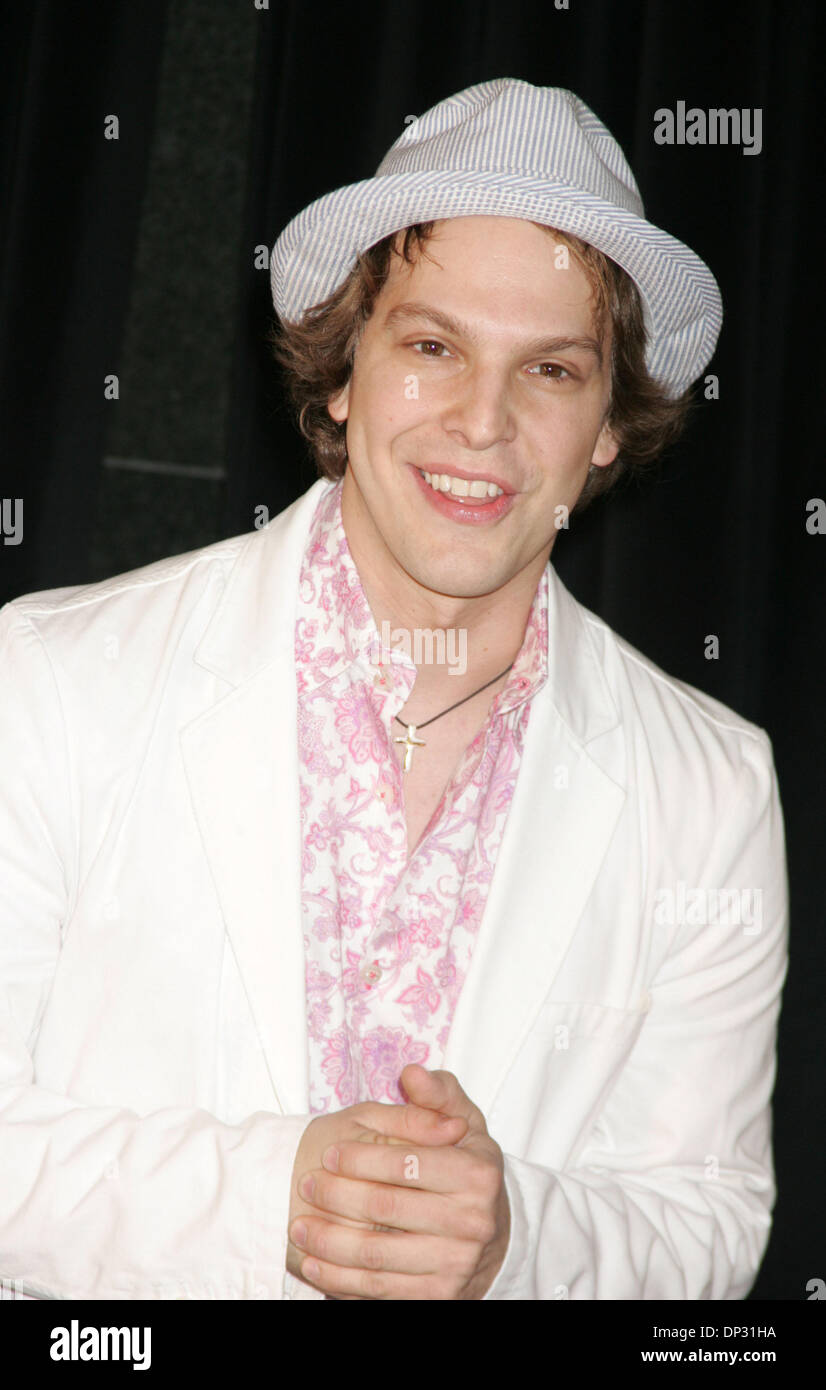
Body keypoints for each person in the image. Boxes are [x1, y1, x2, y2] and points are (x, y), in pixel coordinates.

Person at [0, 78, 787, 1301]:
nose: (481, 422)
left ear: (607, 431)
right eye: (431, 347)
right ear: (341, 374)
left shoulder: (712, 787)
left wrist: (515, 1238)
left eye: (551, 371)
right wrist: (286, 1195)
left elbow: (705, 1224)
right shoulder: (48, 678)